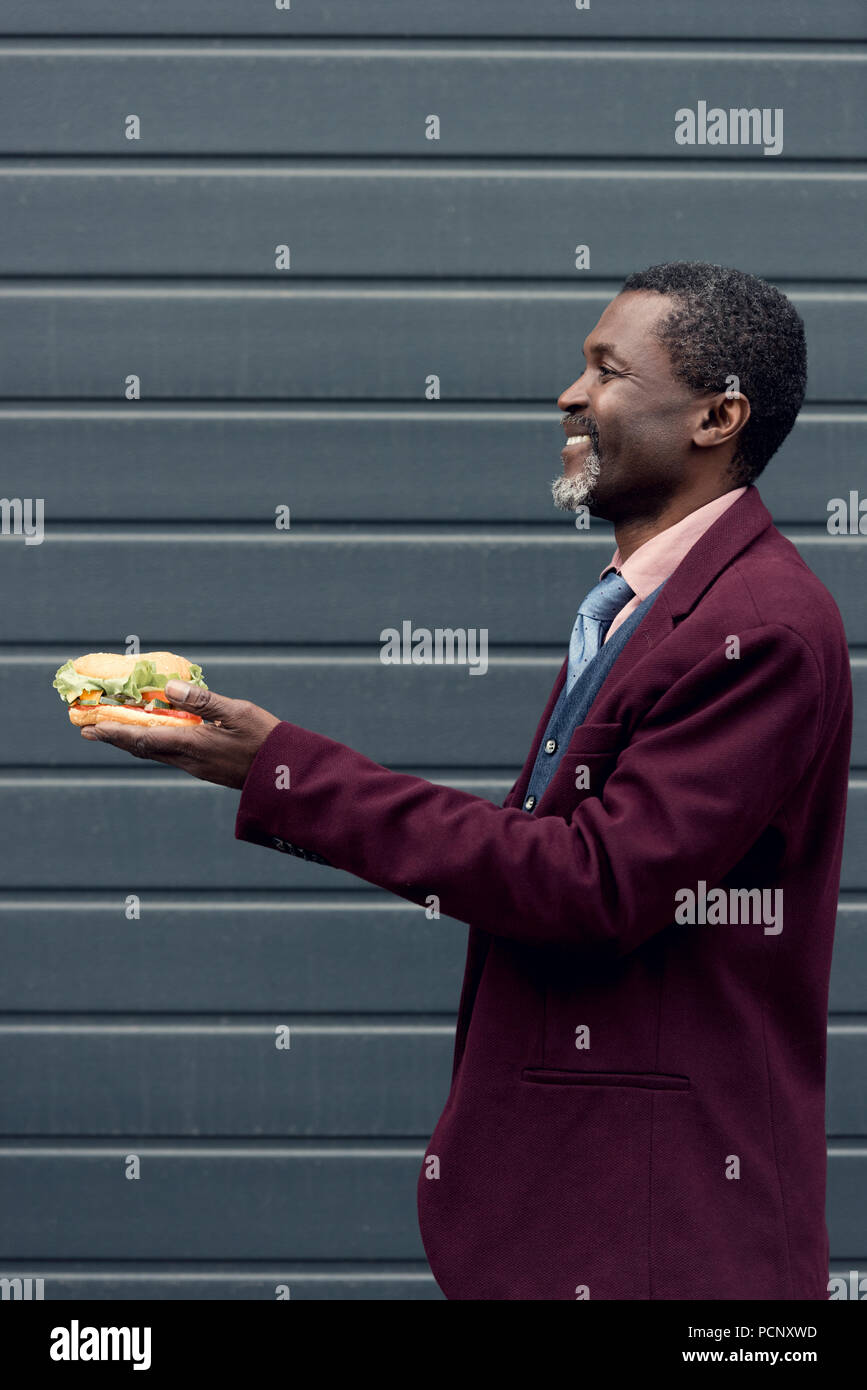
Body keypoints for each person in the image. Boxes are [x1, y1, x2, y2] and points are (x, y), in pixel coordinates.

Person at [82, 263, 852, 1300]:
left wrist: (278, 770)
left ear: (717, 415)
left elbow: (592, 883)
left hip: (666, 1241)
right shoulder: (645, 606)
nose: (571, 395)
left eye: (607, 370)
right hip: (592, 1220)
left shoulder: (756, 629)